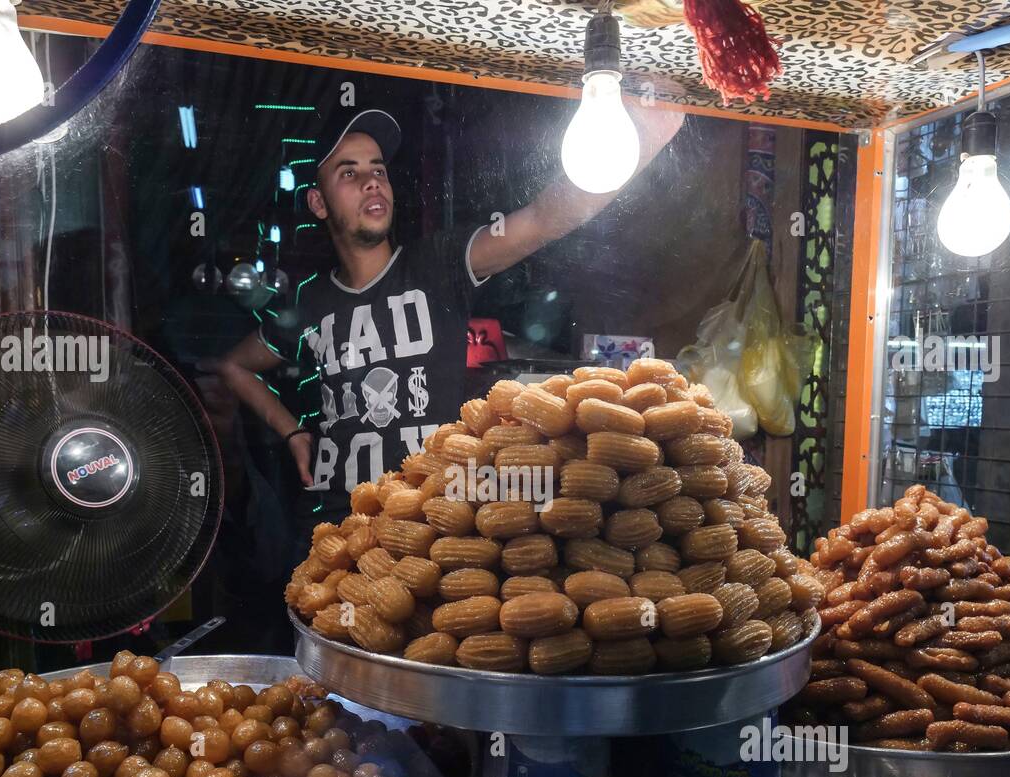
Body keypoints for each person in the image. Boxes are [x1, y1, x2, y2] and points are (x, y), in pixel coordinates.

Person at [219, 100, 684, 544]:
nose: (371, 182)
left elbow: (542, 219)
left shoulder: (436, 265)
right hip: (341, 524)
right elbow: (235, 366)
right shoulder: (310, 301)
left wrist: (644, 138)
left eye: (378, 169)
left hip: (435, 519)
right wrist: (293, 432)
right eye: (350, 173)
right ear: (319, 204)